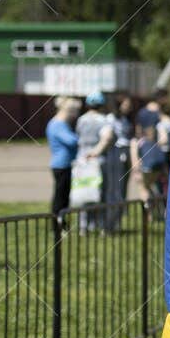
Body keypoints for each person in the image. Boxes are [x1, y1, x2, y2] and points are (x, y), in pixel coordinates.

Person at [74, 92, 115, 233]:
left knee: (83, 192)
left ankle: (83, 226)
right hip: (98, 161)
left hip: (82, 160)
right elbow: (107, 138)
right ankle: (102, 226)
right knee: (101, 194)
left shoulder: (81, 120)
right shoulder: (104, 120)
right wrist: (96, 151)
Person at [135, 88, 170, 219]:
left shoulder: (142, 112)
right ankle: (161, 212)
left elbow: (138, 131)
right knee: (162, 185)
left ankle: (149, 214)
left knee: (145, 186)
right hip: (159, 153)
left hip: (146, 150)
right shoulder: (160, 113)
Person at [103, 94, 136, 231]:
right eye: (126, 104)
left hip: (125, 155)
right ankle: (109, 224)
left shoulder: (124, 119)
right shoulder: (110, 119)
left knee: (122, 190)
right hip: (116, 155)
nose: (129, 108)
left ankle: (115, 222)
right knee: (115, 190)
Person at [47, 96, 81, 220]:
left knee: (64, 196)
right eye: (75, 112)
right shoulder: (58, 124)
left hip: (65, 164)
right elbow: (71, 140)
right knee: (60, 197)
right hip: (61, 165)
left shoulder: (61, 124)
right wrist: (80, 138)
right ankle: (57, 222)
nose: (75, 115)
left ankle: (62, 221)